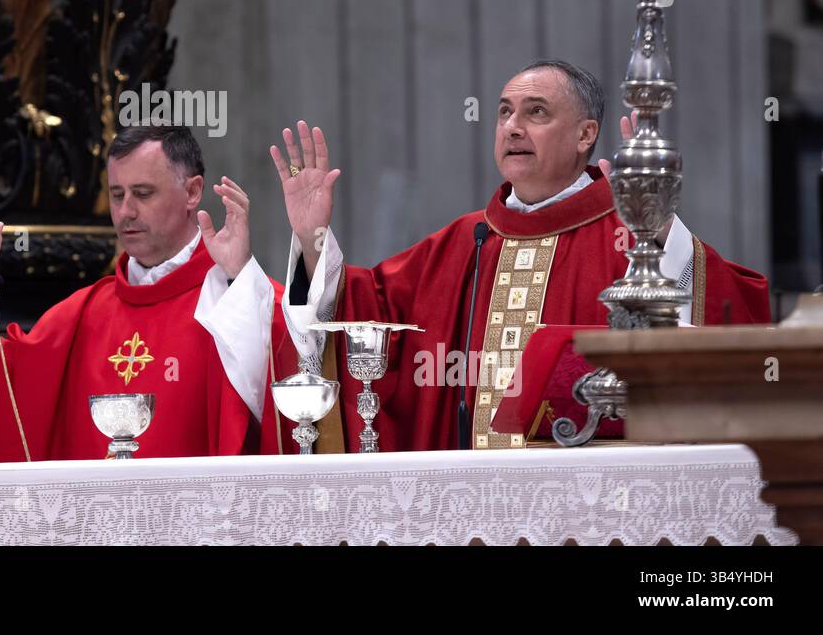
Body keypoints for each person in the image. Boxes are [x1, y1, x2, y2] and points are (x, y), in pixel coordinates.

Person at [265, 59, 770, 453]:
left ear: (586, 135)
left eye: (537, 112)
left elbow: (719, 313)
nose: (512, 126)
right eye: (505, 111)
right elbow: (361, 315)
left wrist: (655, 221)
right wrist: (311, 239)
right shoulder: (467, 241)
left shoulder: (631, 236)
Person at [0, 125, 280, 462]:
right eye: (117, 194)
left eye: (143, 193)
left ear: (192, 191)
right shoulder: (79, 316)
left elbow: (289, 387)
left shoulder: (233, 301)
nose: (126, 212)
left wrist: (243, 276)